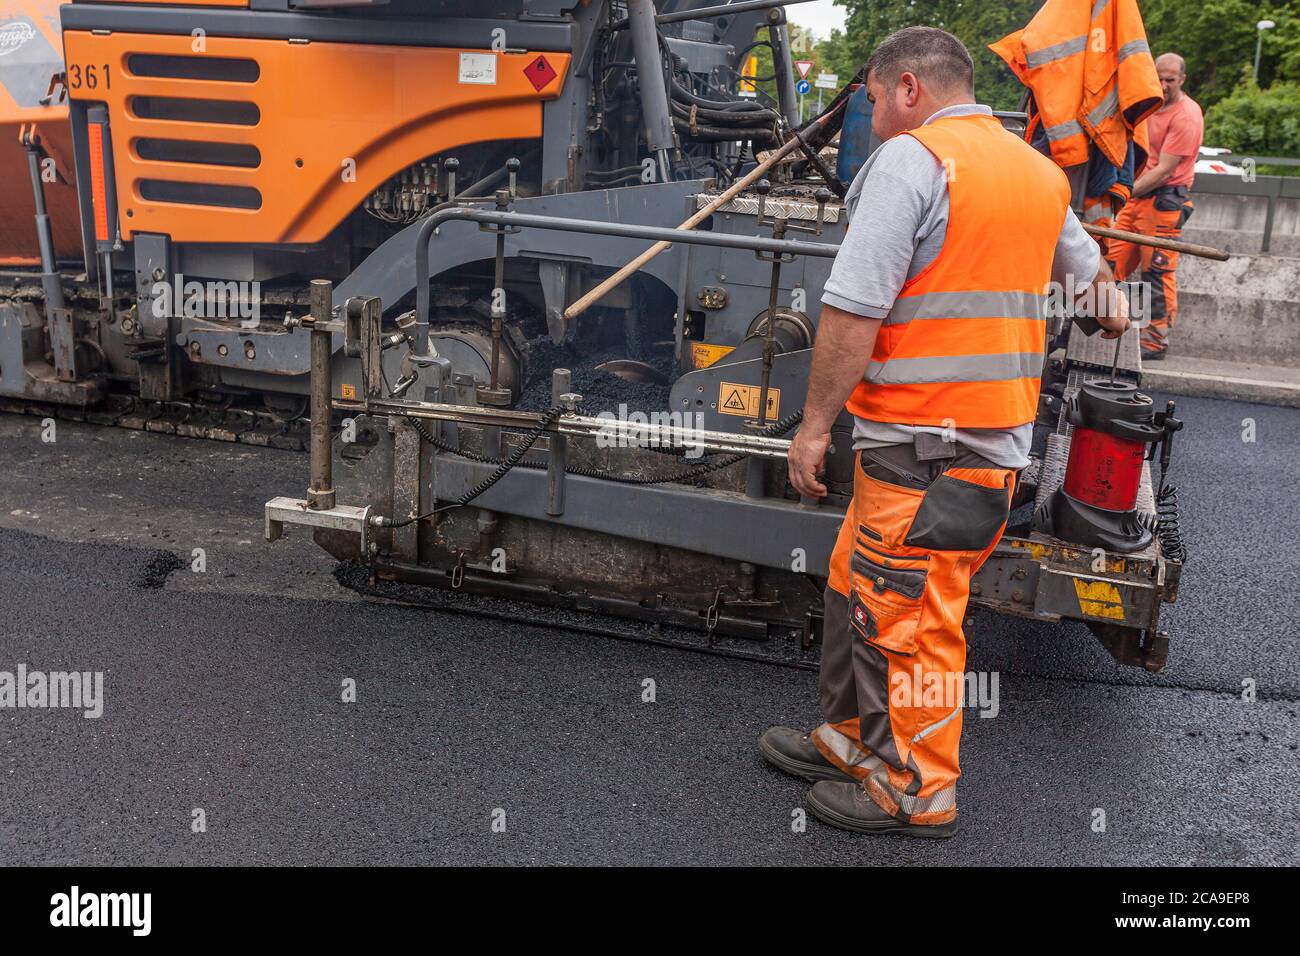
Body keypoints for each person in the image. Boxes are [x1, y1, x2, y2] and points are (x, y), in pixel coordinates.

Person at [758, 26, 1130, 838]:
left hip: (927, 447)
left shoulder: (913, 161)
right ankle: (851, 739)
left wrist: (812, 428)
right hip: (968, 448)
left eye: (877, 95)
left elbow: (855, 307)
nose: (874, 111)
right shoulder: (1037, 173)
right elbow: (1105, 303)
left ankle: (918, 790)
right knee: (857, 588)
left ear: (910, 90)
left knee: (913, 619)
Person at [1106, 52, 1203, 360]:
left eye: (1170, 80)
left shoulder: (1186, 115)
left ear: (1182, 80)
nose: (1162, 85)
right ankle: (1095, 325)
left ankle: (1154, 342)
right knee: (1107, 263)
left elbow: (1163, 169)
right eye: (1158, 78)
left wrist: (1124, 191)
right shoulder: (1149, 107)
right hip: (1137, 200)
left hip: (1163, 203)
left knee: (1156, 274)